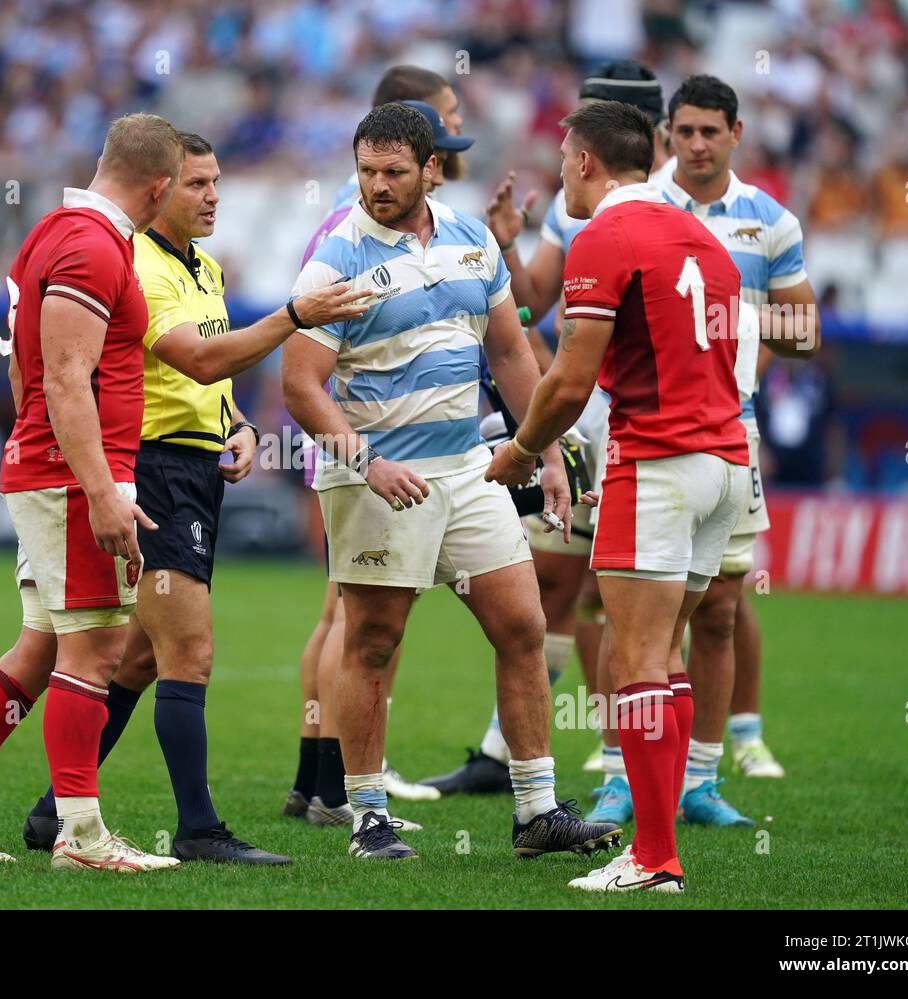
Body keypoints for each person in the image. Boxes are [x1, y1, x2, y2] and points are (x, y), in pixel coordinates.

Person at [283, 102, 622, 861]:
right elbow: (301, 387)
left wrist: (552, 450)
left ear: (431, 168)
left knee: (524, 626)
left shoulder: (473, 237)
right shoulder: (335, 258)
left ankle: (536, 808)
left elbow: (509, 352)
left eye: (394, 172)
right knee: (372, 639)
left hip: (468, 468)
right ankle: (367, 816)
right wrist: (366, 463)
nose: (376, 186)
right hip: (376, 476)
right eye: (366, 171)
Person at [19, 132, 369, 864]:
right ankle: (199, 828)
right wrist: (297, 315)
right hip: (151, 470)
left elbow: (210, 376)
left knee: (141, 659)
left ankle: (55, 809)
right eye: (197, 183)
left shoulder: (202, 266)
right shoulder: (136, 261)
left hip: (196, 467)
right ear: (159, 187)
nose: (213, 196)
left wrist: (237, 424)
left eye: (217, 182)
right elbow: (200, 355)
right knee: (191, 650)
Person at [0, 113, 184, 871]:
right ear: (158, 188)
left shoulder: (53, 231)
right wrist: (98, 488)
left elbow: (26, 373)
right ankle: (82, 837)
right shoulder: (93, 246)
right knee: (97, 652)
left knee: (43, 646)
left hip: (50, 470)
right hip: (69, 479)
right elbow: (63, 375)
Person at [488, 100, 753, 892]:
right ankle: (661, 844)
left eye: (564, 157)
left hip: (659, 460)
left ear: (585, 162)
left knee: (633, 656)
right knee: (665, 654)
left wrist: (522, 450)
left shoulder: (605, 235)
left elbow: (568, 381)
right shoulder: (702, 235)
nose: (561, 171)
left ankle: (654, 856)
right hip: (725, 462)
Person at [422, 60, 669, 797]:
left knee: (648, 605)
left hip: (645, 425)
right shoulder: (576, 205)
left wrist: (529, 442)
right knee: (555, 582)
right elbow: (530, 307)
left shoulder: (671, 208)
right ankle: (507, 755)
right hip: (587, 414)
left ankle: (660, 767)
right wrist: (506, 242)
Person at [286, 68, 476, 825]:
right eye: (445, 126)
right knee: (356, 622)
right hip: (362, 434)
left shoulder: (356, 205)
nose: (452, 147)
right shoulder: (361, 222)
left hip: (347, 430)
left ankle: (317, 775)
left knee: (337, 614)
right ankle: (341, 782)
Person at [652, 75, 820, 820]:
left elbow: (808, 332)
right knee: (640, 613)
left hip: (731, 430)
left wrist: (729, 321)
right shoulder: (642, 209)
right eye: (683, 131)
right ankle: (628, 776)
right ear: (666, 135)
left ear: (736, 134)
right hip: (647, 430)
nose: (695, 145)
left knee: (719, 610)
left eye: (708, 132)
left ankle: (702, 781)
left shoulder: (770, 222)